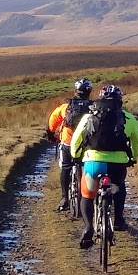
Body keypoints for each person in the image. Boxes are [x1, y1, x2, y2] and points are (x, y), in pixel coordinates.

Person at [69, 84, 138, 249]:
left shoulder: (89, 116)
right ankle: (118, 221)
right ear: (120, 100)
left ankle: (89, 227)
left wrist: (75, 156)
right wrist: (133, 158)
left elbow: (76, 140)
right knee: (119, 187)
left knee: (87, 196)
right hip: (117, 165)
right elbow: (137, 142)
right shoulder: (128, 118)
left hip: (93, 163)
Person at [45, 78, 93, 212]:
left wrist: (50, 135)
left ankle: (65, 198)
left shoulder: (66, 107)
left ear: (75, 91)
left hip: (68, 142)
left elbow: (52, 122)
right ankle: (87, 198)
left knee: (66, 168)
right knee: (86, 169)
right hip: (86, 145)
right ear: (89, 92)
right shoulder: (93, 107)